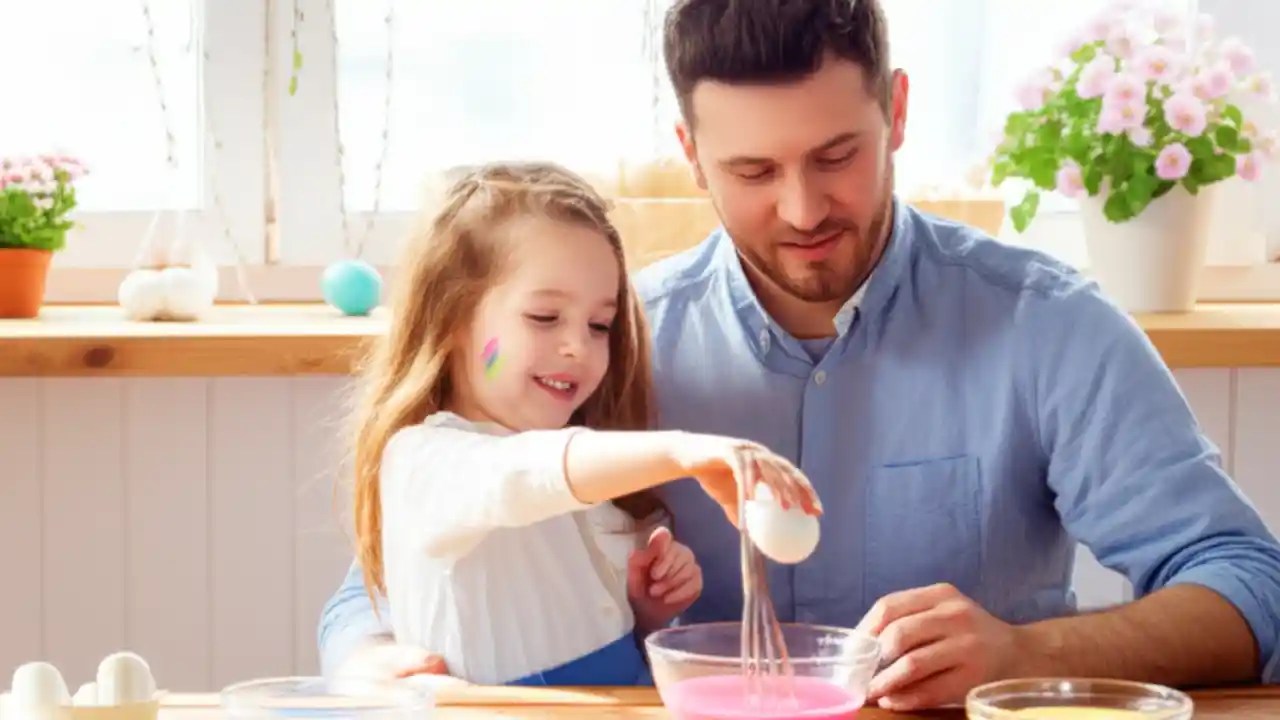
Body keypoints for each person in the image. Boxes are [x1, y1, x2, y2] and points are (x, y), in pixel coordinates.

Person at [319, 0, 1280, 708]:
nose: (802, 210)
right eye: (751, 170)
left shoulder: (1045, 326)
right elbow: (390, 575)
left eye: (835, 156)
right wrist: (365, 658)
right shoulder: (611, 346)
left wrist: (1022, 651)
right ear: (691, 154)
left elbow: (1250, 587)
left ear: (896, 114)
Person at [341, 161, 821, 687]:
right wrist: (684, 452)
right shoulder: (423, 460)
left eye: (599, 325)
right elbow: (522, 475)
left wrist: (644, 609)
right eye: (544, 318)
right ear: (452, 320)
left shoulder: (580, 480)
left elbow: (577, 628)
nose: (578, 346)